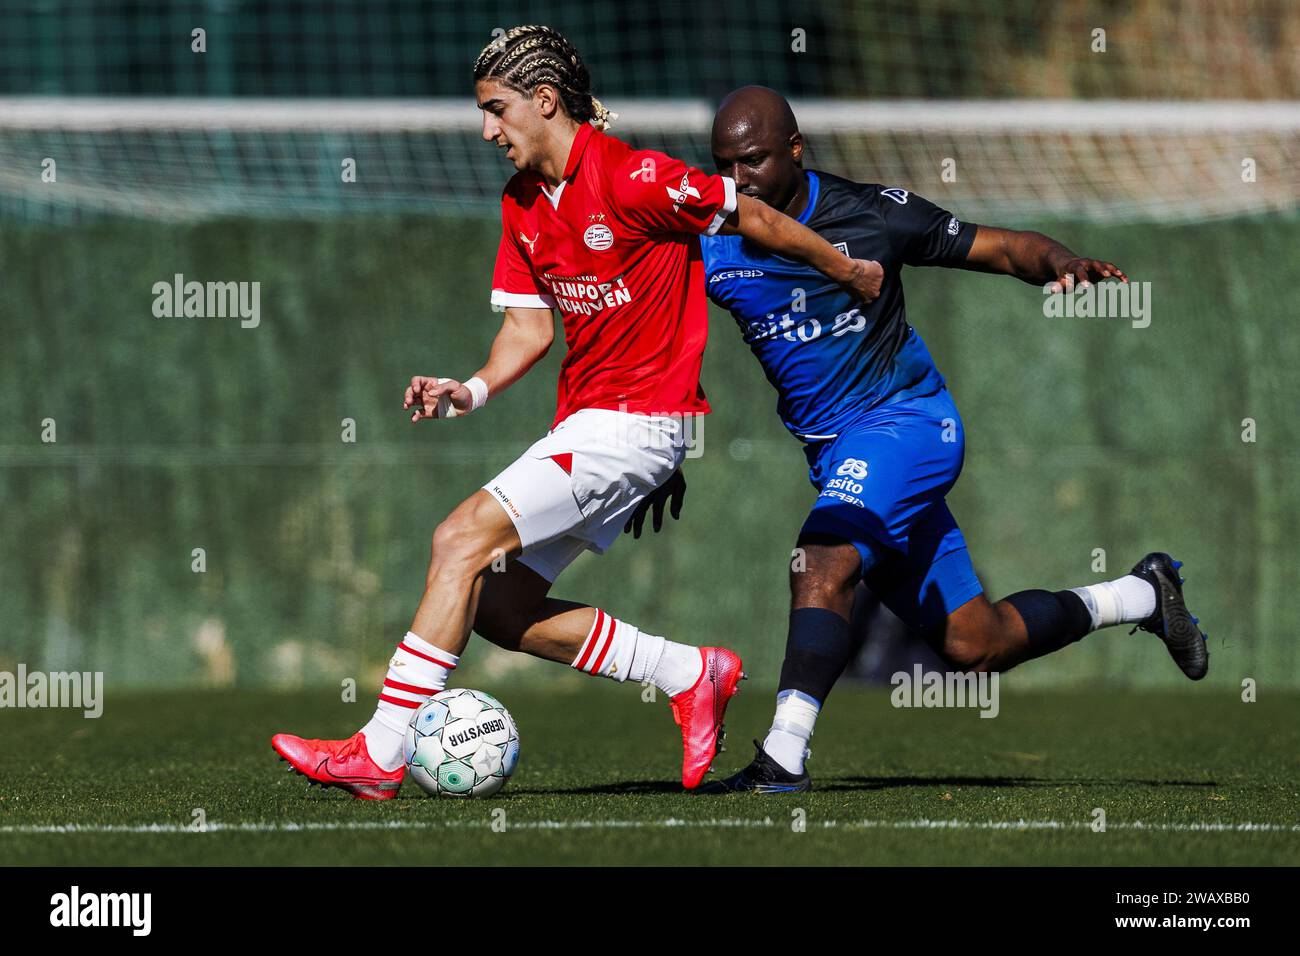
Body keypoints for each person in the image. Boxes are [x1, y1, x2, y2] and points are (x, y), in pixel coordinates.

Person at [271, 35, 885, 797]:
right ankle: (690, 672)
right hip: (585, 428)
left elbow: (753, 216)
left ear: (546, 101)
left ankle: (381, 750)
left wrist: (845, 264)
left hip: (637, 427)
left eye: (496, 110)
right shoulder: (522, 203)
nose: (488, 130)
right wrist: (470, 390)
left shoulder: (633, 176)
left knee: (457, 540)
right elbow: (528, 329)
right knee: (498, 607)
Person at [676, 86, 1207, 793]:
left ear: (796, 151)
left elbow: (1003, 247)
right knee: (974, 645)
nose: (737, 180)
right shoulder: (712, 239)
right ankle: (1141, 595)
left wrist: (1062, 263)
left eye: (753, 161)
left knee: (821, 563)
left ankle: (782, 757)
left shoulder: (869, 216)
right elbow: (663, 334)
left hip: (909, 425)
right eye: (723, 164)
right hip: (838, 455)